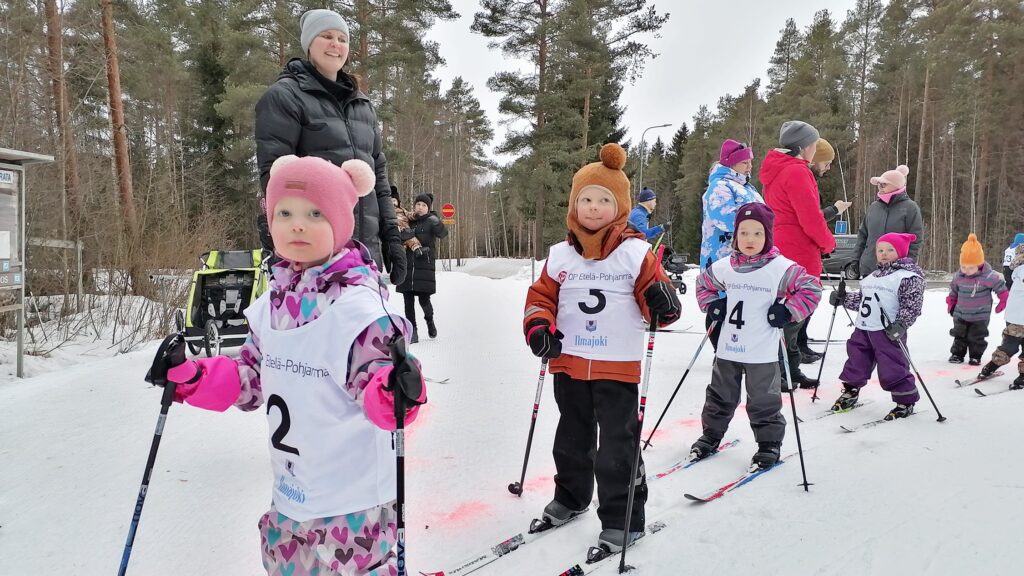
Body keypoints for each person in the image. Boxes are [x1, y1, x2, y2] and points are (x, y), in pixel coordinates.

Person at [150, 155, 427, 575]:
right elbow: (250, 378)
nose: (298, 224)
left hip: (351, 507)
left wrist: (397, 390)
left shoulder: (357, 309)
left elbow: (382, 394)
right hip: (291, 495)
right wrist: (191, 376)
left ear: (341, 221)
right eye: (285, 212)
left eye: (315, 213)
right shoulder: (270, 306)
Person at [523, 143, 681, 554]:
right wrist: (539, 328)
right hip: (569, 362)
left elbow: (658, 304)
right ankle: (572, 496)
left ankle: (623, 517)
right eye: (586, 199)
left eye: (604, 200)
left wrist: (663, 302)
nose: (593, 208)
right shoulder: (559, 256)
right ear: (575, 204)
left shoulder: (636, 253)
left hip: (616, 365)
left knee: (616, 446)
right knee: (571, 438)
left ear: (621, 205)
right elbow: (541, 298)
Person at [255, 8, 406, 286]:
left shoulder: (363, 105)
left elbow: (378, 180)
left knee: (369, 329)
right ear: (310, 43)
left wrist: (392, 236)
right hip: (312, 256)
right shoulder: (285, 96)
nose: (336, 44)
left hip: (363, 253)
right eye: (326, 36)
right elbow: (274, 175)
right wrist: (277, 235)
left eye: (342, 38)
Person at [692, 203, 820, 470]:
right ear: (736, 236)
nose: (750, 240)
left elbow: (811, 288)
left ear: (768, 236)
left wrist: (787, 311)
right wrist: (713, 305)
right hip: (728, 348)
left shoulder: (781, 268)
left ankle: (768, 444)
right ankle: (711, 435)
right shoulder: (725, 266)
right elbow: (703, 284)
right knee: (719, 396)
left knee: (764, 400)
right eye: (744, 233)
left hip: (761, 351)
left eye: (758, 233)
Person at [760, 120, 835, 389]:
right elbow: (811, 219)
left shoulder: (778, 170)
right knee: (794, 315)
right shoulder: (797, 172)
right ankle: (782, 372)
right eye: (814, 144)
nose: (815, 149)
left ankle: (789, 370)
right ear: (805, 147)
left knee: (789, 316)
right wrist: (828, 243)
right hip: (798, 252)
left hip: (782, 250)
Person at [830, 232, 924, 420]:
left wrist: (902, 323)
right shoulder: (872, 276)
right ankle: (851, 390)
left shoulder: (908, 276)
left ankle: (905, 400)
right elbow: (865, 301)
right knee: (856, 360)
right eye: (880, 250)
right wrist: (844, 299)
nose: (884, 253)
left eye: (890, 250)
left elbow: (912, 304)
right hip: (864, 328)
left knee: (893, 365)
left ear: (901, 252)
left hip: (888, 331)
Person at [699, 139, 764, 349]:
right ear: (731, 163)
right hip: (722, 256)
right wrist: (755, 221)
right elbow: (724, 218)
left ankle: (740, 349)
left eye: (750, 162)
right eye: (745, 162)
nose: (749, 166)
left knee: (741, 304)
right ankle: (722, 351)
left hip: (748, 257)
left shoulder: (746, 186)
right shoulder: (719, 187)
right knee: (722, 304)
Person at [798, 137, 852, 364]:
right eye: (826, 162)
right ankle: (796, 347)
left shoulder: (805, 176)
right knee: (802, 300)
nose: (828, 167)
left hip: (806, 249)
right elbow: (811, 219)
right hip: (800, 251)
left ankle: (801, 343)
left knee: (806, 301)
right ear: (816, 159)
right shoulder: (802, 176)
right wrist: (834, 211)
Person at [851, 164, 924, 278]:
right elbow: (863, 235)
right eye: (879, 184)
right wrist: (855, 259)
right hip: (870, 268)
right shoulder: (874, 207)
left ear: (896, 186)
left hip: (896, 270)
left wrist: (907, 263)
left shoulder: (910, 208)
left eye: (884, 184)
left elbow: (915, 239)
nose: (880, 187)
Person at [947, 234, 1008, 365]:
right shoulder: (958, 276)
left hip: (980, 315)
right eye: (963, 267)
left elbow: (1001, 288)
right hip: (961, 313)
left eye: (971, 267)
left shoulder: (989, 276)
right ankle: (957, 354)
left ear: (979, 264)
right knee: (959, 335)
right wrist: (951, 303)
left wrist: (1003, 300)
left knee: (976, 337)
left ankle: (975, 356)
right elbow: (953, 290)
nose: (966, 270)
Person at [396, 193, 448, 343]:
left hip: (424, 267)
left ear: (428, 208)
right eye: (418, 204)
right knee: (408, 301)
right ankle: (413, 333)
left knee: (424, 300)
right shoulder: (408, 220)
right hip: (408, 265)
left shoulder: (431, 221)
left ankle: (430, 321)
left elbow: (443, 234)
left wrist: (436, 221)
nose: (420, 207)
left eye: (424, 205)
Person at [979, 244, 1024, 390]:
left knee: (1009, 345)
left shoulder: (1013, 270)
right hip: (1019, 316)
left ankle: (991, 366)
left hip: (1013, 317)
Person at [390, 185, 425, 258]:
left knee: (411, 239)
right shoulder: (388, 211)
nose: (392, 203)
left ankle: (418, 249)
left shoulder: (402, 210)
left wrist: (415, 215)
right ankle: (400, 254)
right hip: (397, 229)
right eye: (390, 201)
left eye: (394, 201)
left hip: (406, 229)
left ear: (398, 202)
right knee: (403, 242)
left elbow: (409, 214)